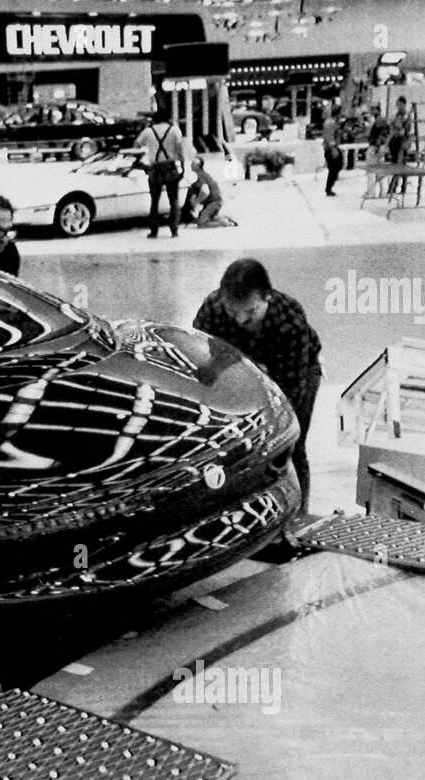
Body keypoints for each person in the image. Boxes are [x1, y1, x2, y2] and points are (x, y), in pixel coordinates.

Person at [193, 259, 322, 513]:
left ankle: (297, 516)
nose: (240, 319)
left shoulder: (290, 322)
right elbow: (198, 359)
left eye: (250, 312)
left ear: (267, 297)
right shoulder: (213, 309)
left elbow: (290, 392)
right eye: (233, 312)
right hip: (236, 365)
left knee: (291, 445)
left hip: (295, 371)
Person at [134, 108, 186, 239]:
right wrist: (182, 166)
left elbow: (136, 144)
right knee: (173, 200)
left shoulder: (148, 131)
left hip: (155, 168)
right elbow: (180, 150)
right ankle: (174, 229)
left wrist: (147, 153)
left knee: (154, 201)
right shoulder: (174, 130)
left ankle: (154, 230)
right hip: (170, 167)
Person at [184, 157, 225, 227]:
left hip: (214, 203)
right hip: (213, 202)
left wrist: (195, 202)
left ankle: (225, 223)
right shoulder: (201, 174)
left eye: (193, 163)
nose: (191, 164)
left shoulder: (201, 176)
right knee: (202, 219)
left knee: (201, 223)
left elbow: (205, 192)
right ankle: (220, 218)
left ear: (198, 165)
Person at [322, 106, 343, 196]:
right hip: (331, 148)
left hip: (331, 148)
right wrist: (334, 149)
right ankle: (328, 189)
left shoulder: (332, 122)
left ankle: (329, 188)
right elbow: (330, 138)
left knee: (335, 167)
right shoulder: (331, 123)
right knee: (334, 169)